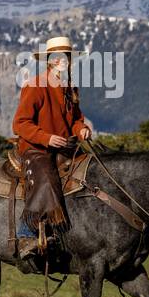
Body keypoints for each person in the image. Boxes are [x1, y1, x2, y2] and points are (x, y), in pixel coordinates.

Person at [11, 36, 93, 259]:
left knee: (92, 170)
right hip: (36, 148)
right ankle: (26, 233)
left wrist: (81, 129)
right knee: (47, 177)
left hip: (64, 147)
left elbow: (76, 119)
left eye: (66, 56)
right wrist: (46, 138)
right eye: (58, 57)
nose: (63, 60)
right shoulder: (35, 86)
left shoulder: (69, 88)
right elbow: (19, 123)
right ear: (50, 60)